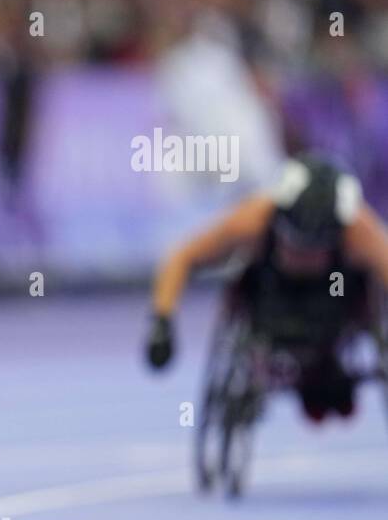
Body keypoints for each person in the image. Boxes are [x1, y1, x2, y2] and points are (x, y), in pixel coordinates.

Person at [146, 154, 388, 420]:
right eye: (295, 243)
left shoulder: (359, 232)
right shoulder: (254, 218)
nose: (303, 254)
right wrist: (162, 322)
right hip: (268, 296)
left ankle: (327, 372)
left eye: (315, 246)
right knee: (245, 276)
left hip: (335, 292)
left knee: (349, 289)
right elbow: (183, 256)